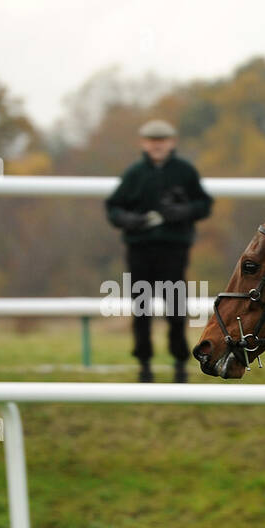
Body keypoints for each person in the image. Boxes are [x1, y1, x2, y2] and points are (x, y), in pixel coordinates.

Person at [106, 119, 212, 382]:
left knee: (175, 307)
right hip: (140, 249)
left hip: (173, 249)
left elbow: (204, 204)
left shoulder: (185, 171)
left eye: (162, 140)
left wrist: (183, 212)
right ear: (144, 143)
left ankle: (179, 362)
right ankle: (144, 363)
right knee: (141, 308)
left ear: (171, 142)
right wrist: (129, 221)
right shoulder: (134, 174)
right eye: (152, 141)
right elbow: (113, 207)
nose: (157, 146)